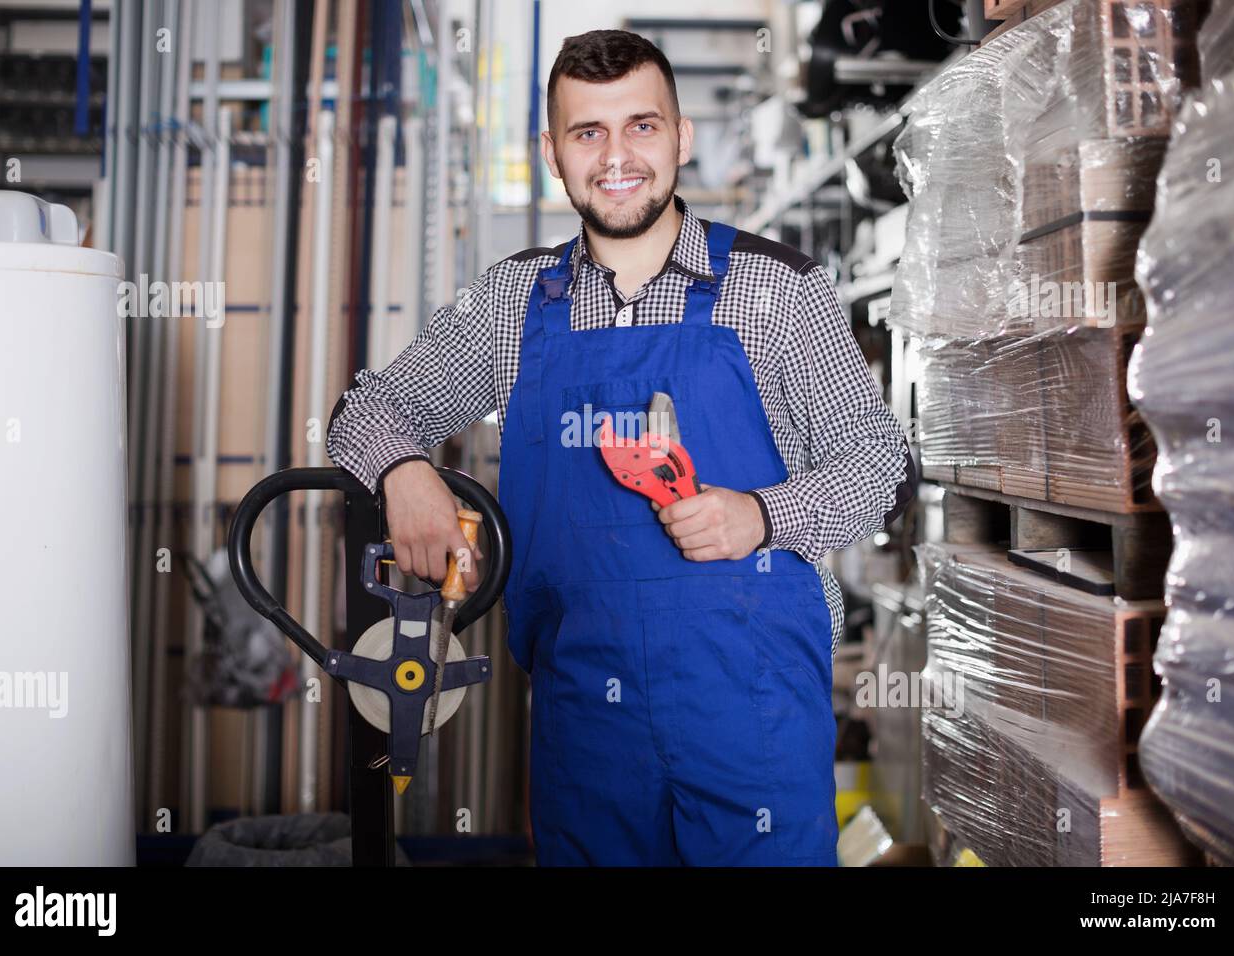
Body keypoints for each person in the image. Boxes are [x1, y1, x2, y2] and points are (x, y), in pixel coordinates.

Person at [327, 28, 916, 866]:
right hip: (585, 727)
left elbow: (876, 458)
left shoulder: (777, 290)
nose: (616, 156)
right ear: (552, 153)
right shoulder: (513, 303)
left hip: (752, 721)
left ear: (680, 137)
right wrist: (405, 469)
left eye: (641, 126)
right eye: (587, 132)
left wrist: (762, 514)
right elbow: (365, 409)